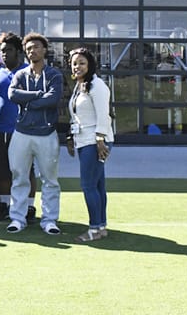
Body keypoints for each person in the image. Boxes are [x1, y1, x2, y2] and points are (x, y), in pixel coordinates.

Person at [6, 32, 63, 235]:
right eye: (29, 48)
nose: (32, 51)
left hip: (47, 133)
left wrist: (28, 100)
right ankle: (17, 218)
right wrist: (39, 94)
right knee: (19, 176)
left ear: (44, 50)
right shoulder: (20, 74)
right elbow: (13, 94)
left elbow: (53, 99)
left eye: (36, 47)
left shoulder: (54, 75)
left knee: (50, 179)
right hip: (21, 133)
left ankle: (49, 220)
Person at [67, 47, 113, 243]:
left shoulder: (97, 85)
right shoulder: (81, 85)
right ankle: (101, 226)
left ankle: (94, 229)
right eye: (74, 63)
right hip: (83, 140)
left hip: (94, 142)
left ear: (90, 65)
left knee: (88, 186)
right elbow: (79, 115)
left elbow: (104, 114)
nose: (77, 67)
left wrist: (100, 140)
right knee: (98, 185)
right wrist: (71, 136)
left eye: (82, 63)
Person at [0, 32, 32, 221]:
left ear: (18, 52)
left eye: (9, 51)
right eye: (2, 51)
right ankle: (4, 206)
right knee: (1, 170)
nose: (4, 54)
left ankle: (28, 208)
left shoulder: (29, 72)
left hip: (21, 130)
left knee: (25, 170)